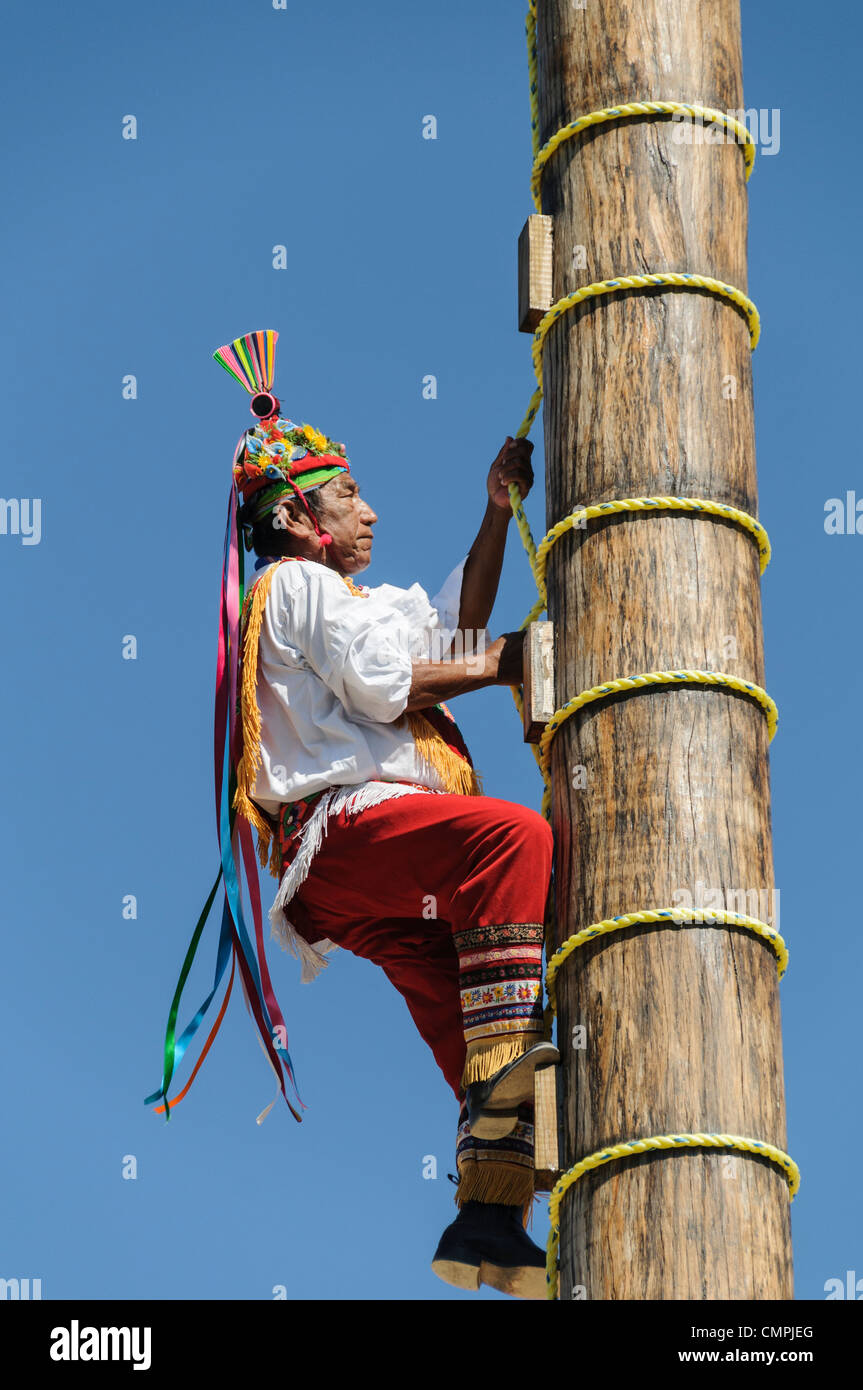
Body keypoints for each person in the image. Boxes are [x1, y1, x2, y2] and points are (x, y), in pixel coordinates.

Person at [150, 330, 559, 1300]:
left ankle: (488, 1219)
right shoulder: (297, 585)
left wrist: (495, 512)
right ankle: (508, 1100)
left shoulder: (341, 600)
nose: (368, 510)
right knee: (519, 841)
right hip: (355, 834)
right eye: (347, 495)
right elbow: (389, 686)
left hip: (357, 888)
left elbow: (449, 623)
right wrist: (510, 662)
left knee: (471, 1013)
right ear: (297, 515)